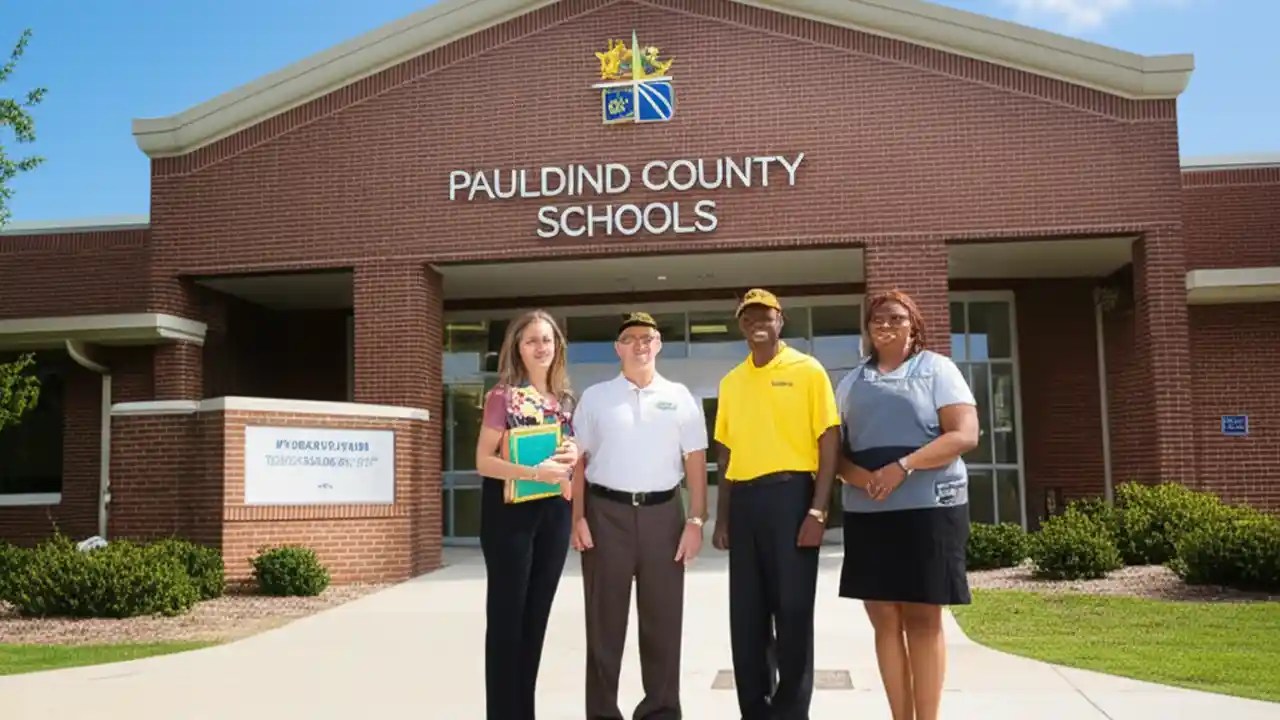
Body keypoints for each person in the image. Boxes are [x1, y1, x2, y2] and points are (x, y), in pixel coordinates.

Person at [834, 289, 980, 720]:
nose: (886, 325)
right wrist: (861, 478)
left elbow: (964, 434)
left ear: (913, 324)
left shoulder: (938, 370)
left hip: (930, 512)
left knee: (923, 617)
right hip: (869, 516)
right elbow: (833, 452)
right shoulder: (850, 383)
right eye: (877, 319)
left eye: (896, 318)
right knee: (883, 618)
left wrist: (903, 466)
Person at [570, 311, 709, 720]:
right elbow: (577, 461)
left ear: (658, 345)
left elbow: (696, 462)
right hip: (604, 516)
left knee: (663, 625)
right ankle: (601, 712)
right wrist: (577, 517)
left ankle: (661, 710)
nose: (640, 344)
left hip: (664, 517)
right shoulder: (596, 397)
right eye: (630, 338)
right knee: (603, 626)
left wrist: (696, 520)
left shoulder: (680, 396)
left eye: (647, 337)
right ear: (618, 348)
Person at [711, 288, 840, 720]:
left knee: (793, 611)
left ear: (780, 320)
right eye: (748, 318)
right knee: (746, 615)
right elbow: (725, 454)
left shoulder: (808, 370)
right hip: (745, 501)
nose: (756, 323)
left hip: (791, 497)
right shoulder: (732, 382)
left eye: (765, 316)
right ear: (741, 325)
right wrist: (722, 517)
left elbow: (829, 439)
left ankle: (790, 711)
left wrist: (818, 510)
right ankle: (755, 709)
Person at [474, 309, 581, 720]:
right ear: (517, 349)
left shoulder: (564, 401)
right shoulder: (503, 397)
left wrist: (572, 455)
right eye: (532, 340)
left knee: (535, 620)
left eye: (548, 340)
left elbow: (568, 460)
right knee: (507, 622)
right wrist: (534, 472)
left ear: (558, 347)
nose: (541, 347)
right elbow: (483, 460)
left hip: (552, 515)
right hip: (509, 517)